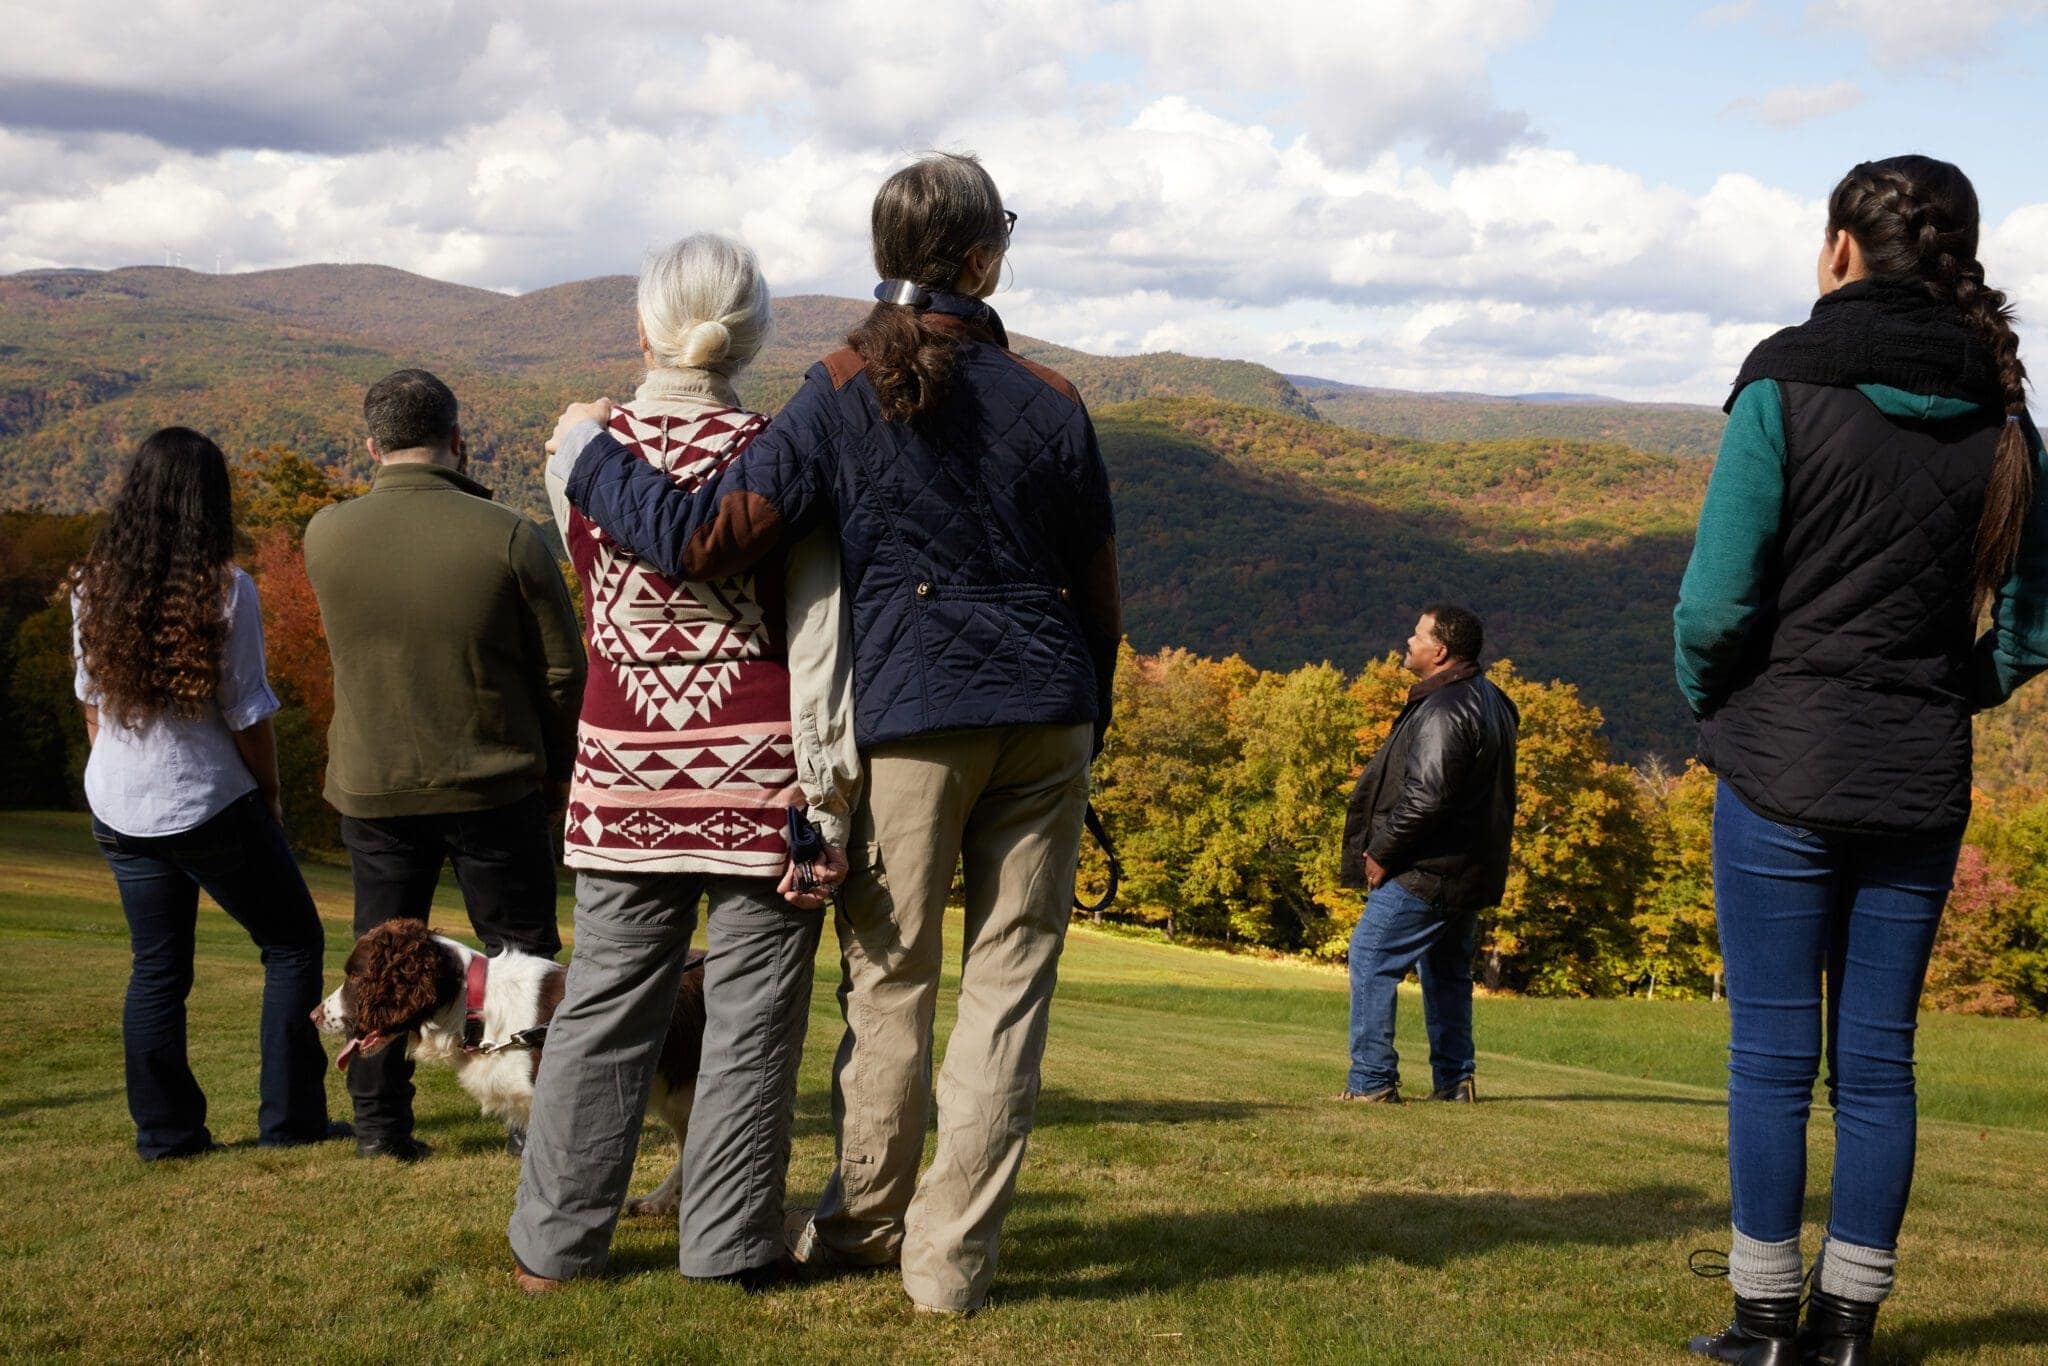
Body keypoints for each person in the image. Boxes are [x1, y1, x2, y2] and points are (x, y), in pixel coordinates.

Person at [552, 152, 1120, 1315]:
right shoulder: (1053, 401)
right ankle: (950, 1264)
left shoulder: (839, 388)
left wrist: (588, 457)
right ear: (980, 259)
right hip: (1046, 715)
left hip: (913, 724)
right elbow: (1096, 589)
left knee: (891, 983)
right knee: (1009, 991)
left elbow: (705, 537)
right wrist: (1085, 721)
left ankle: (863, 1223)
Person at [1674, 155, 2048, 1365]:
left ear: (1841, 245)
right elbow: (2033, 622)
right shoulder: (2005, 415)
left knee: (1773, 1056)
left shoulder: (1781, 380)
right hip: (1917, 771)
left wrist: (1713, 705)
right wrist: (1957, 685)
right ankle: (1845, 1330)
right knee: (1876, 1064)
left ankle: (1763, 1321)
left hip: (1780, 762)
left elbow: (1713, 605)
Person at [508, 233, 856, 1291]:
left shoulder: (580, 451)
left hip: (623, 772)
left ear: (643, 328)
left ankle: (555, 1245)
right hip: (761, 776)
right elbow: (817, 633)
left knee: (605, 1008)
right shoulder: (779, 455)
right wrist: (829, 795)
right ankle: (727, 1242)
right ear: (752, 336)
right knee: (751, 1022)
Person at [303, 369, 586, 1162]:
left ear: (371, 445)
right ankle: (537, 1123)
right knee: (524, 955)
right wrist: (557, 767)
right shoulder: (509, 535)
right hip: (495, 779)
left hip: (372, 782)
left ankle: (381, 1132)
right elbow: (566, 671)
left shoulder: (325, 533)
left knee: (375, 957)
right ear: (457, 438)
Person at [71, 426, 341, 1159]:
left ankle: (166, 1135)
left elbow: (92, 703)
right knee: (292, 943)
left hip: (120, 803)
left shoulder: (92, 583)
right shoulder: (226, 588)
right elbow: (248, 712)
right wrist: (272, 797)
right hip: (205, 800)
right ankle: (290, 1122)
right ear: (208, 503)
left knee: (157, 968)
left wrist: (120, 781)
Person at [1338, 604, 1518, 1105]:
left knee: (1371, 957)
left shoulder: (1444, 709)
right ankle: (1455, 1081)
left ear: (1439, 651)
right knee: (1447, 972)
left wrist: (1380, 851)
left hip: (1428, 870)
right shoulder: (1495, 701)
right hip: (1468, 869)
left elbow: (1427, 797)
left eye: (1417, 634)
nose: (1408, 641)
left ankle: (1372, 1082)